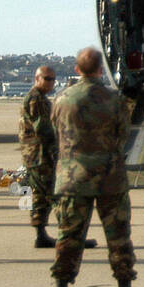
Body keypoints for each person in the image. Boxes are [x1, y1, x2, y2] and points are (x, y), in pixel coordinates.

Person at [48, 46, 144, 287]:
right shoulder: (114, 100)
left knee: (68, 237)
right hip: (109, 177)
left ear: (78, 70)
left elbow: (56, 131)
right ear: (100, 69)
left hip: (72, 179)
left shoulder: (61, 99)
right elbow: (123, 135)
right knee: (118, 238)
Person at [21, 65, 98, 250]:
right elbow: (43, 129)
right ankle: (70, 236)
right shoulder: (36, 100)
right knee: (58, 196)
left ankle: (41, 235)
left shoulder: (39, 99)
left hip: (36, 156)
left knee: (40, 197)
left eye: (53, 79)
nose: (51, 83)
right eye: (47, 79)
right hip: (42, 155)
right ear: (37, 78)